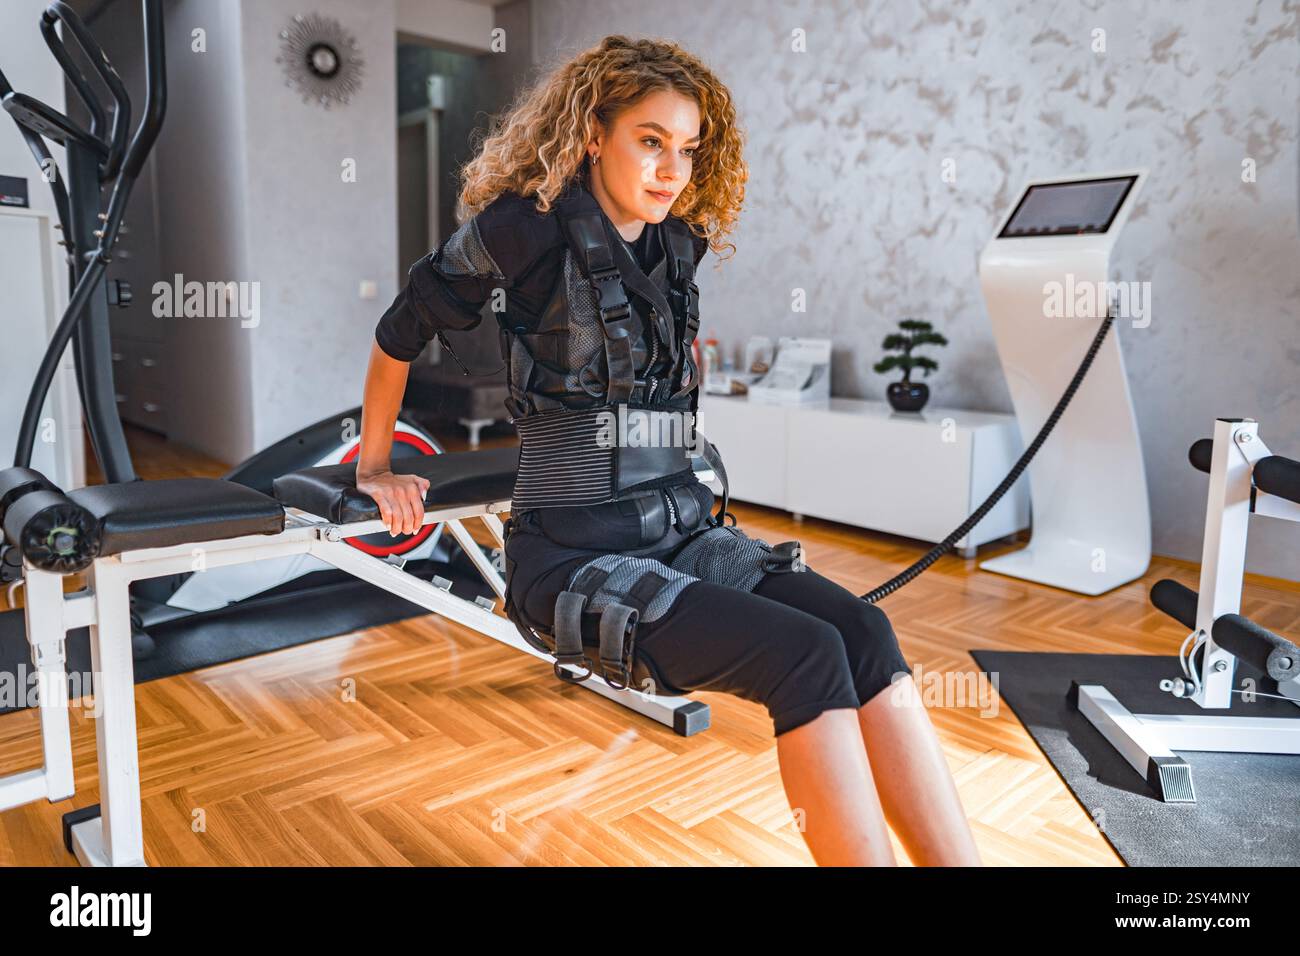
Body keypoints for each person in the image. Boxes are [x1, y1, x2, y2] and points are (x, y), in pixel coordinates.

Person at [355, 35, 981, 867]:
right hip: (572, 557)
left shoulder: (676, 242)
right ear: (590, 134)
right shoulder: (521, 231)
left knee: (863, 632)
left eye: (687, 150)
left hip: (684, 535)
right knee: (805, 656)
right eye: (650, 142)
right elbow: (400, 331)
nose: (672, 169)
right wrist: (374, 463)